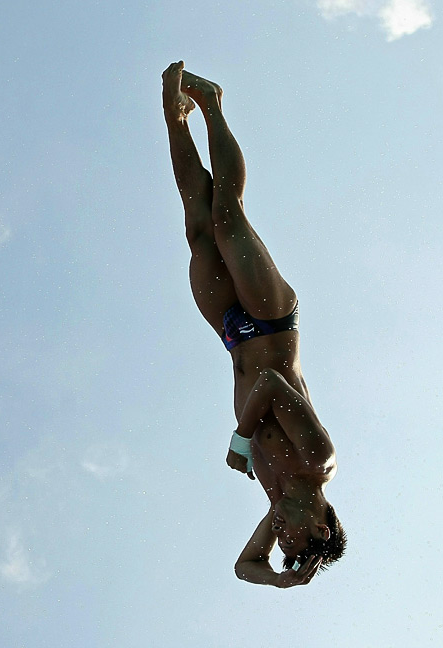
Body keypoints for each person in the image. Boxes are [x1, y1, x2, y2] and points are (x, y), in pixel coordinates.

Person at [161, 62, 345, 587]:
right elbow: (270, 384)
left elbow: (245, 568)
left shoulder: (279, 498)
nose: (279, 536)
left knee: (198, 229)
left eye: (281, 541)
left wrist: (284, 580)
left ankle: (177, 121)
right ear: (322, 523)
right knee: (226, 216)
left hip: (232, 334)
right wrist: (240, 441)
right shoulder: (318, 460)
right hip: (270, 323)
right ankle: (212, 104)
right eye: (292, 539)